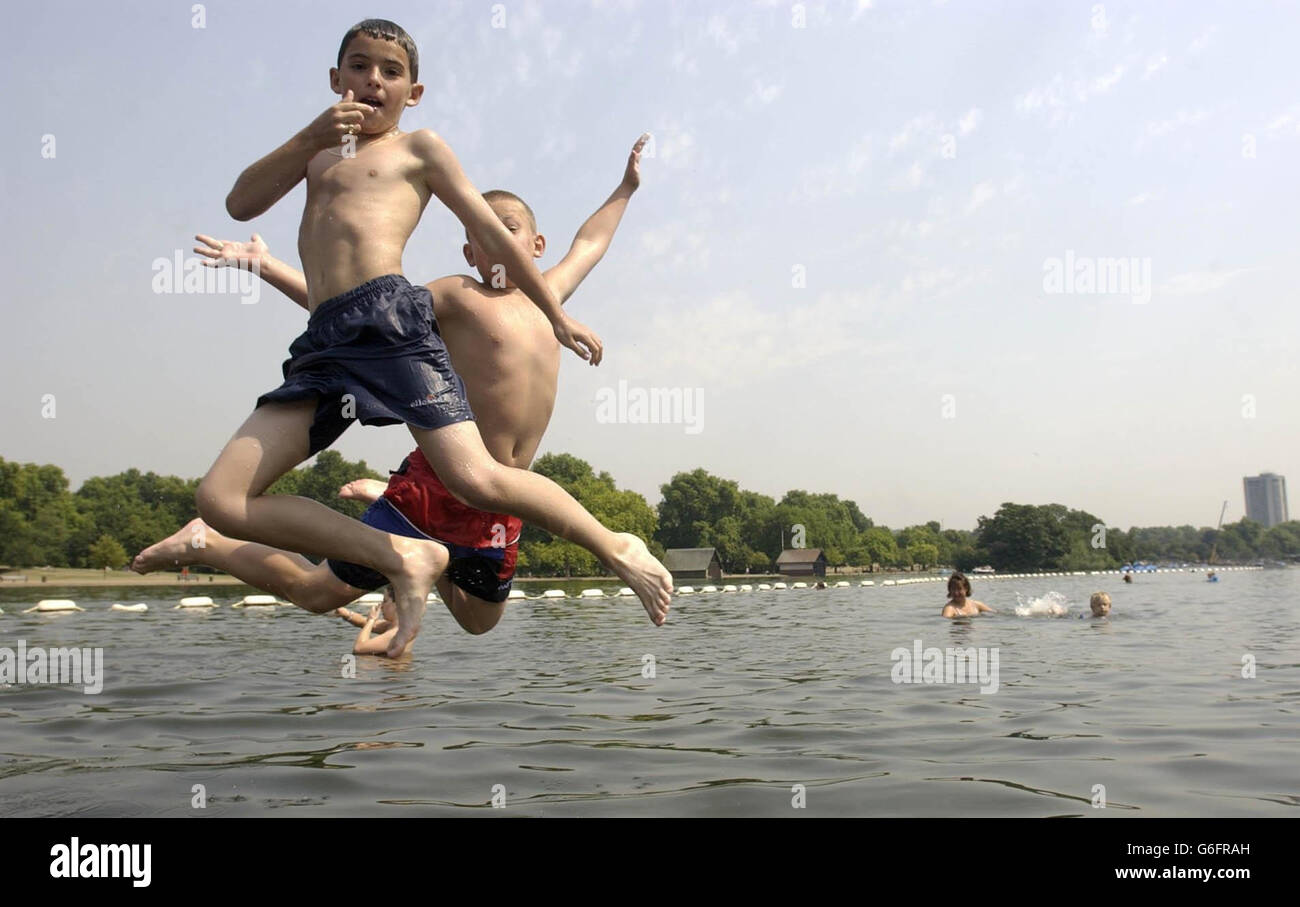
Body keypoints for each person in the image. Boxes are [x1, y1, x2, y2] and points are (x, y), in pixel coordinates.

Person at [184, 19, 671, 655]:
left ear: (413, 92)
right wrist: (272, 241)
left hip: (385, 318)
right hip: (326, 341)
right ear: (336, 81)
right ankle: (407, 558)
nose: (373, 80)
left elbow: (583, 242)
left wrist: (561, 301)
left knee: (479, 495)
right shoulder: (321, 155)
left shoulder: (420, 150)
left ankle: (611, 544)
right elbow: (240, 202)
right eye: (359, 67)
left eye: (390, 71)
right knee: (220, 497)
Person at [336, 591, 412, 657]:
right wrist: (345, 613)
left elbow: (358, 648)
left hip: (390, 673)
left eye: (385, 601)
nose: (381, 606)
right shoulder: (394, 626)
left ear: (397, 605)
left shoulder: (395, 633)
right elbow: (363, 622)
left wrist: (371, 620)